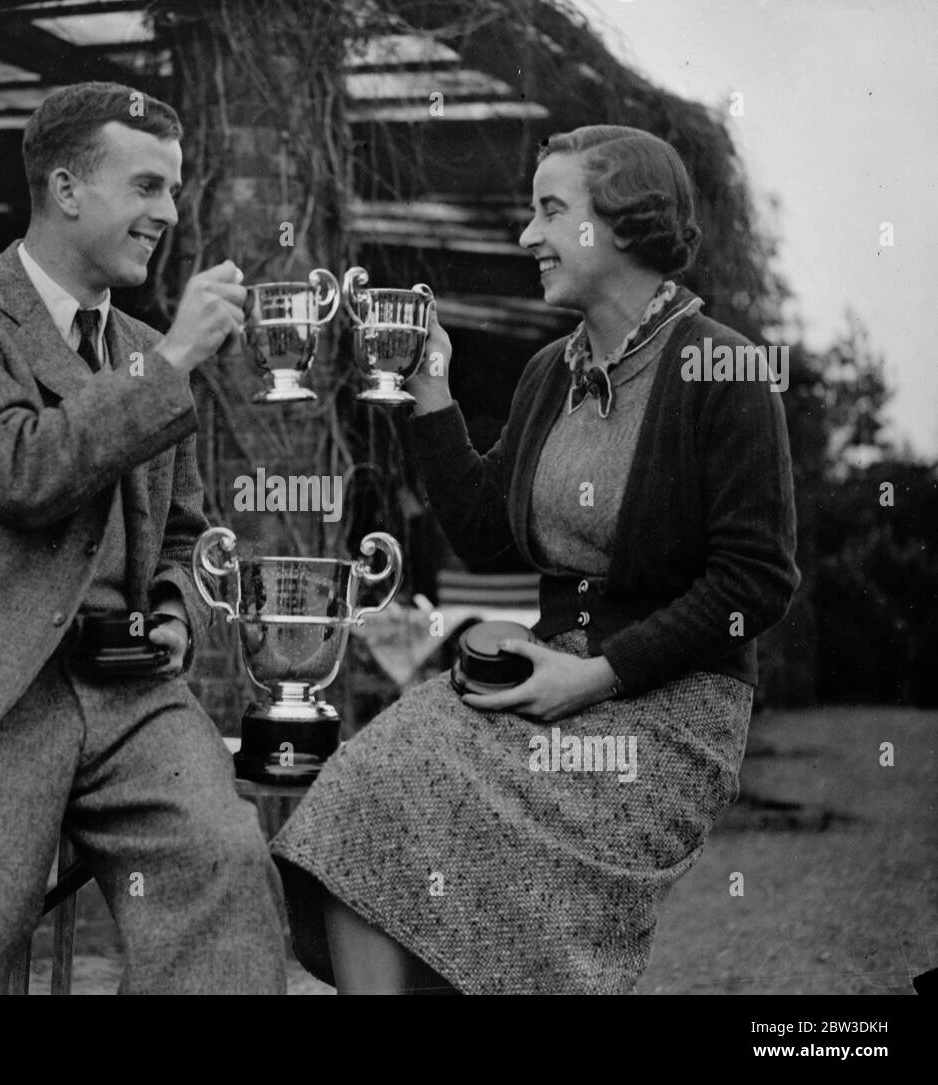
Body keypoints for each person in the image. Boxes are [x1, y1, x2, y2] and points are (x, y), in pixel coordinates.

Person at [270, 125, 800, 994]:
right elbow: (487, 528)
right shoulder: (550, 372)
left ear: (622, 225)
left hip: (669, 712)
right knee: (365, 783)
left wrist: (596, 675)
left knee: (465, 842)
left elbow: (757, 580)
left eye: (551, 211)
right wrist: (430, 390)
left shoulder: (726, 370)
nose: (527, 235)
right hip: (547, 680)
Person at [0, 82, 286, 994]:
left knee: (227, 867)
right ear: (68, 189)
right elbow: (19, 471)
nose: (169, 213)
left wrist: (174, 612)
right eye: (147, 186)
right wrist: (171, 362)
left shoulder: (144, 350)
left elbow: (187, 534)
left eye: (174, 190)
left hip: (126, 695)